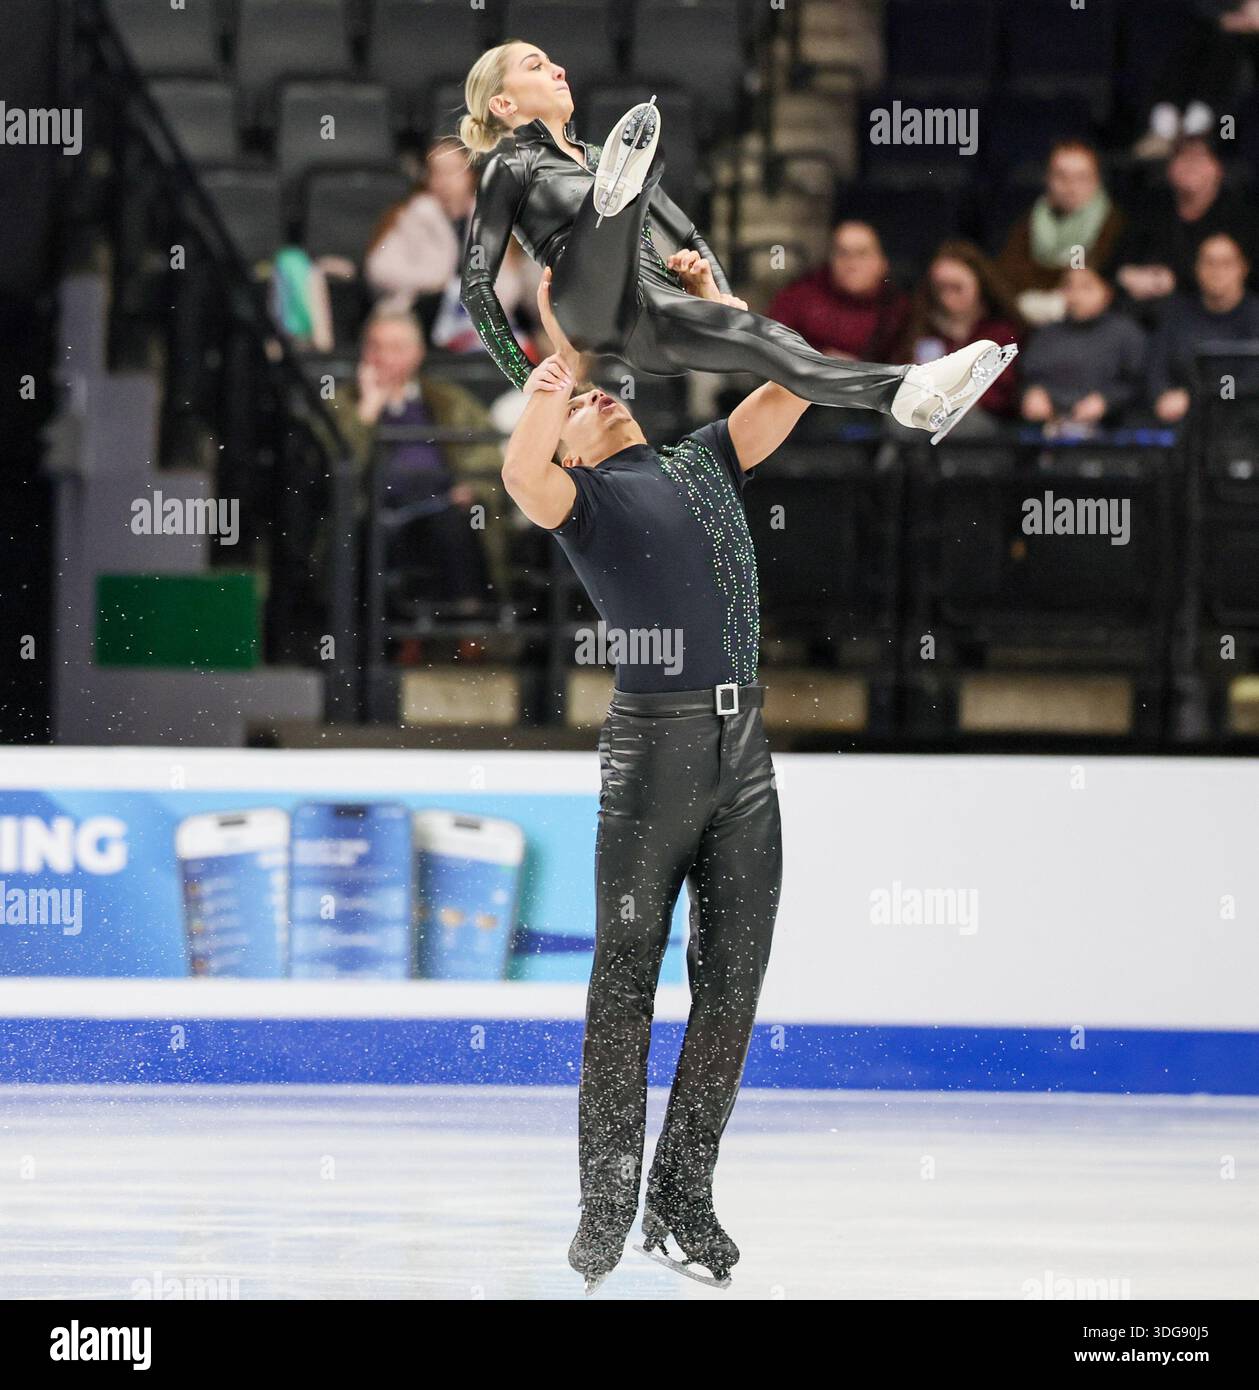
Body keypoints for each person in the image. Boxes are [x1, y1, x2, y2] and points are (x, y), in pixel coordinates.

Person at [501, 264, 801, 1292]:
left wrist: (725, 313)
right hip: (652, 759)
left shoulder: (704, 458)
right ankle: (604, 1204)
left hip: (743, 758)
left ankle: (681, 1198)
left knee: (731, 991)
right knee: (623, 982)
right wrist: (548, 381)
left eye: (602, 388)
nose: (599, 398)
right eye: (582, 404)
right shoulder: (581, 501)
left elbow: (792, 380)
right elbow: (518, 477)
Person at [457, 41, 1015, 441]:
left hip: (650, 325)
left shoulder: (602, 156)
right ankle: (622, 198)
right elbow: (476, 286)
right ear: (504, 105)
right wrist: (527, 372)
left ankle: (907, 395)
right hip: (584, 300)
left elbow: (691, 234)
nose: (557, 68)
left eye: (554, 59)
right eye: (536, 65)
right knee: (631, 181)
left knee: (772, 342)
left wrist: (719, 294)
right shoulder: (511, 161)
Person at [326, 311, 509, 627]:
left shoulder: (449, 401)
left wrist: (472, 488)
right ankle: (375, 639)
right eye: (375, 347)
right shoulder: (342, 403)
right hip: (374, 510)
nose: (384, 357)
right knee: (368, 535)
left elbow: (487, 456)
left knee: (453, 526)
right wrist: (367, 412)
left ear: (418, 352)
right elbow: (333, 466)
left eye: (396, 347)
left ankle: (467, 630)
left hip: (442, 504)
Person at [1115, 135, 1258, 310]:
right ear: (1169, 168)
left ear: (1218, 168)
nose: (1191, 165)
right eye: (1182, 157)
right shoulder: (1151, 207)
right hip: (1147, 309)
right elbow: (1120, 258)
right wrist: (1127, 275)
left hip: (1216, 310)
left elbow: (1243, 276)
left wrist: (1173, 280)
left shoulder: (1242, 216)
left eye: (1200, 158)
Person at [995, 141, 1126, 324]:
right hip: (1030, 318)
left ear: (1096, 181)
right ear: (1047, 179)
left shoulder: (1114, 224)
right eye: (1061, 176)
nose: (1070, 186)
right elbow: (1007, 277)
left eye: (1081, 177)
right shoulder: (1028, 221)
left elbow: (1100, 280)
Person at [899, 241, 1023, 428]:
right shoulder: (923, 328)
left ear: (979, 284)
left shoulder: (1001, 332)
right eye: (941, 288)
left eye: (956, 287)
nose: (947, 298)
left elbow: (1001, 395)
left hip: (986, 424)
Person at [1147, 232, 1259, 423]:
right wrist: (1162, 396)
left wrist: (1195, 399)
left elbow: (1251, 380)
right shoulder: (1177, 314)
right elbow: (1156, 368)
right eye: (1209, 263)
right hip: (1182, 425)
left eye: (1226, 263)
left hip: (1244, 424)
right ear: (1197, 269)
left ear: (1243, 268)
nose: (1217, 272)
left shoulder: (1254, 316)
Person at [1019, 268, 1149, 431]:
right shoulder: (1047, 333)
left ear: (1107, 292)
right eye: (1069, 286)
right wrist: (1031, 393)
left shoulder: (1126, 333)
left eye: (1086, 287)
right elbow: (1026, 377)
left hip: (1110, 429)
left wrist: (1107, 401)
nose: (1076, 295)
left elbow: (1138, 383)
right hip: (1047, 426)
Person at [767, 220, 910, 362]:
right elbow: (770, 349)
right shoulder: (799, 297)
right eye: (842, 253)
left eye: (862, 254)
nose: (851, 264)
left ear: (883, 262)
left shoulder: (900, 310)